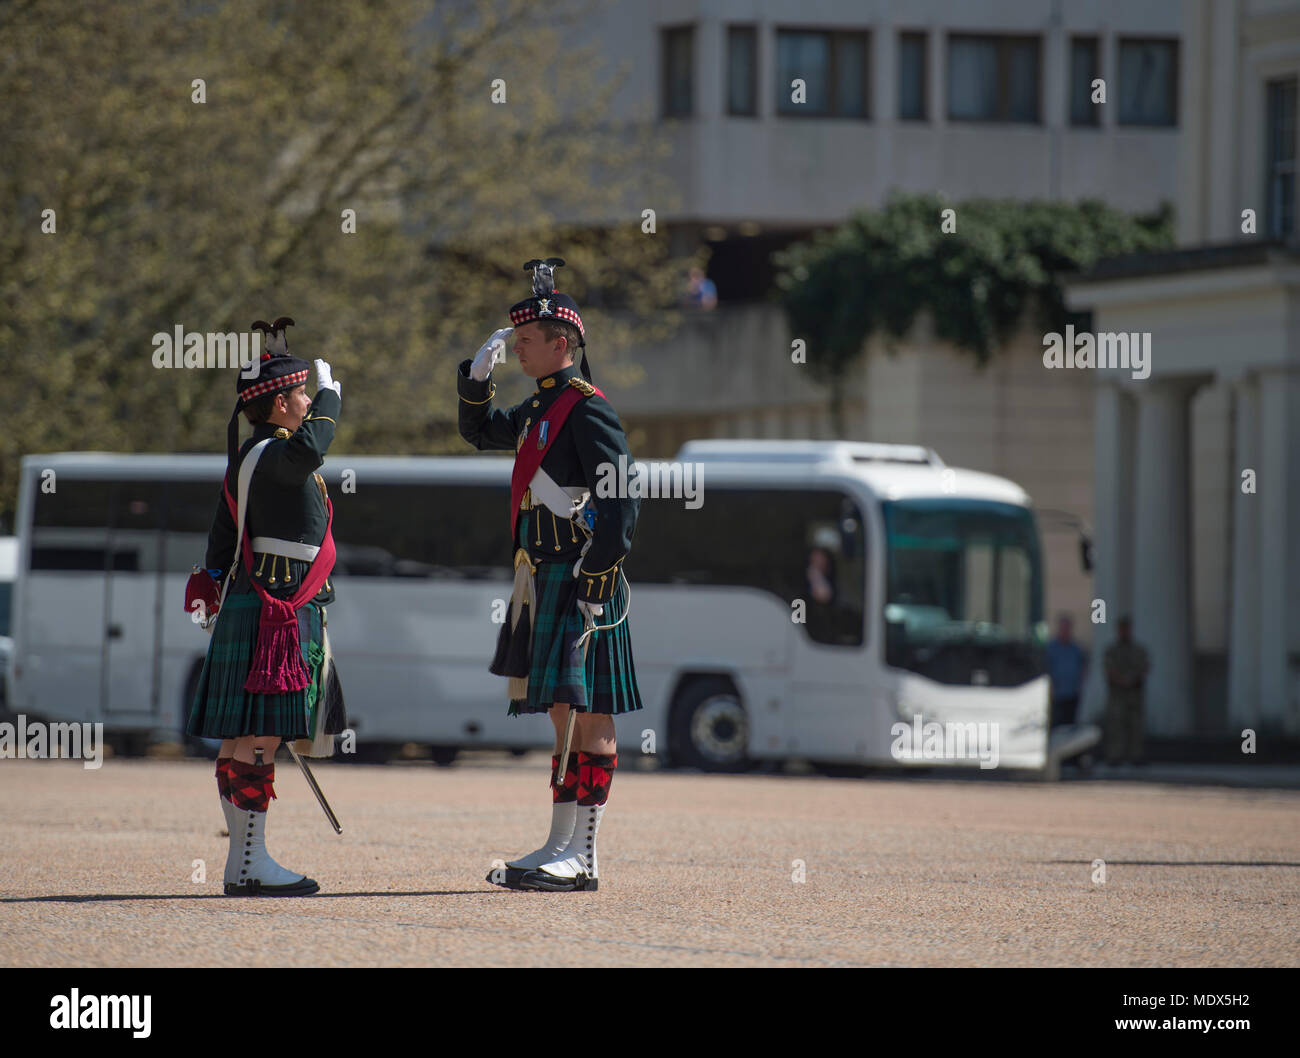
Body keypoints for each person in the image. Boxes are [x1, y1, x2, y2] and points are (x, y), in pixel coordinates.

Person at [458, 257, 641, 892]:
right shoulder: (538, 408)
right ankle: (558, 842)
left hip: (581, 576)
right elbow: (479, 431)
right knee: (561, 715)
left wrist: (596, 575)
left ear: (561, 344)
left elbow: (621, 501)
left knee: (590, 715)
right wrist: (475, 380)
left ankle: (584, 857)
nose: (517, 352)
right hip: (542, 574)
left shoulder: (587, 411)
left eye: (526, 343)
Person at [185, 318, 346, 896]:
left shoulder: (251, 458)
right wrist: (331, 398)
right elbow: (310, 451)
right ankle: (250, 863)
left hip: (259, 607)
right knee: (257, 740)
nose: (308, 401)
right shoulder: (277, 453)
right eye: (302, 394)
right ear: (281, 404)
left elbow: (219, 544)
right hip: (277, 610)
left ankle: (242, 862)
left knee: (240, 740)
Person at [1103, 616, 1150, 766]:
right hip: (1117, 696)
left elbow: (1145, 668)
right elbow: (1109, 670)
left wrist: (1132, 680)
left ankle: (1136, 756)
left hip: (1134, 695)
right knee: (1116, 726)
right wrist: (1122, 681)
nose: (1124, 632)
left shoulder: (1138, 650)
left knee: (1136, 726)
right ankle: (1115, 756)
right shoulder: (1112, 651)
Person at [1046, 613, 1086, 728]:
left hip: (1072, 693)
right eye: (1063, 628)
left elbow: (1083, 665)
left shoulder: (1076, 648)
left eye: (1067, 628)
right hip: (1056, 695)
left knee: (1070, 725)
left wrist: (1080, 683)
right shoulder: (1051, 648)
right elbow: (1046, 668)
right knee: (1057, 725)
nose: (1065, 631)